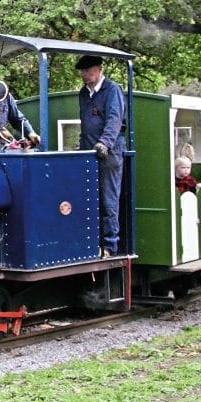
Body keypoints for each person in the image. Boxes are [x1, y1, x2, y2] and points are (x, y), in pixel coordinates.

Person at [76, 55, 124, 257]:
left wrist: (104, 143)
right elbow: (85, 124)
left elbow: (114, 119)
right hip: (89, 152)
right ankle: (91, 244)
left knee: (108, 201)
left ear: (100, 69)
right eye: (83, 72)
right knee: (88, 199)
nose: (86, 75)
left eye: (89, 71)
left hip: (108, 154)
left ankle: (110, 247)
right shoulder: (83, 94)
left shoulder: (112, 90)